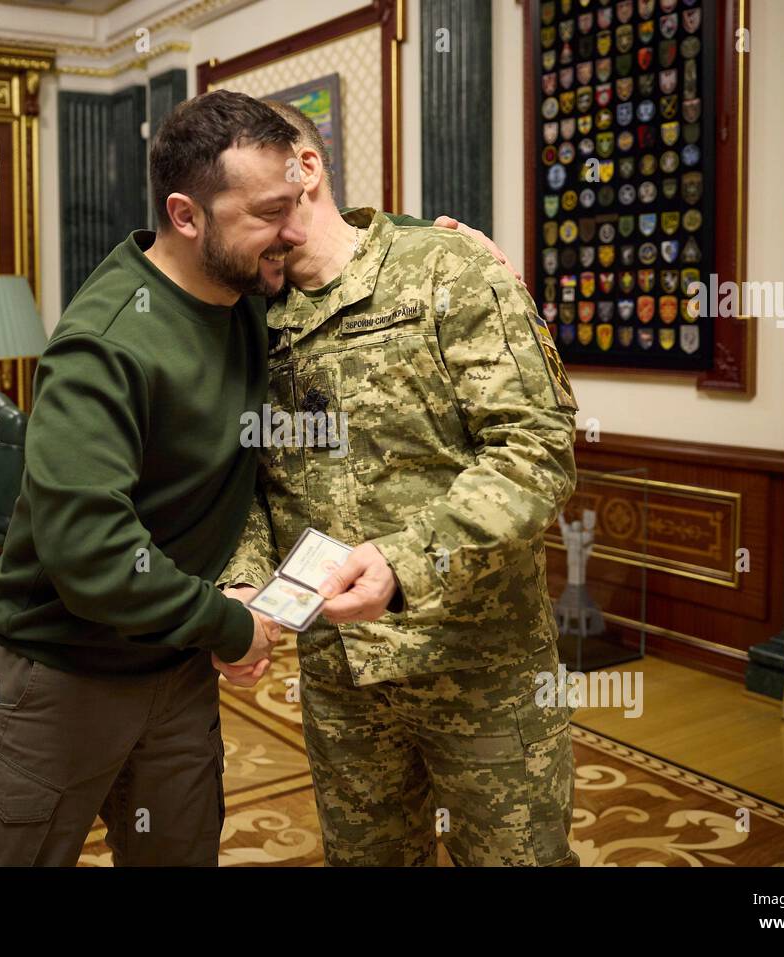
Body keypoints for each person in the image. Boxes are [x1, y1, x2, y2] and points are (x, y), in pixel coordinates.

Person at [0, 89, 492, 867]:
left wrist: (443, 240)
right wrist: (229, 623)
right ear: (186, 215)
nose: (295, 229)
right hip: (60, 673)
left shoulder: (251, 288)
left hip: (175, 664)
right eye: (269, 214)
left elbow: (353, 249)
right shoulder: (103, 349)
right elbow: (91, 556)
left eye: (298, 200)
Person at [218, 102, 582, 866]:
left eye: (252, 209)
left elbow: (535, 451)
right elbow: (244, 479)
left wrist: (402, 564)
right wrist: (244, 583)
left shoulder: (446, 270)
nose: (242, 237)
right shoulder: (247, 321)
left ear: (305, 169)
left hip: (480, 663)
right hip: (341, 678)